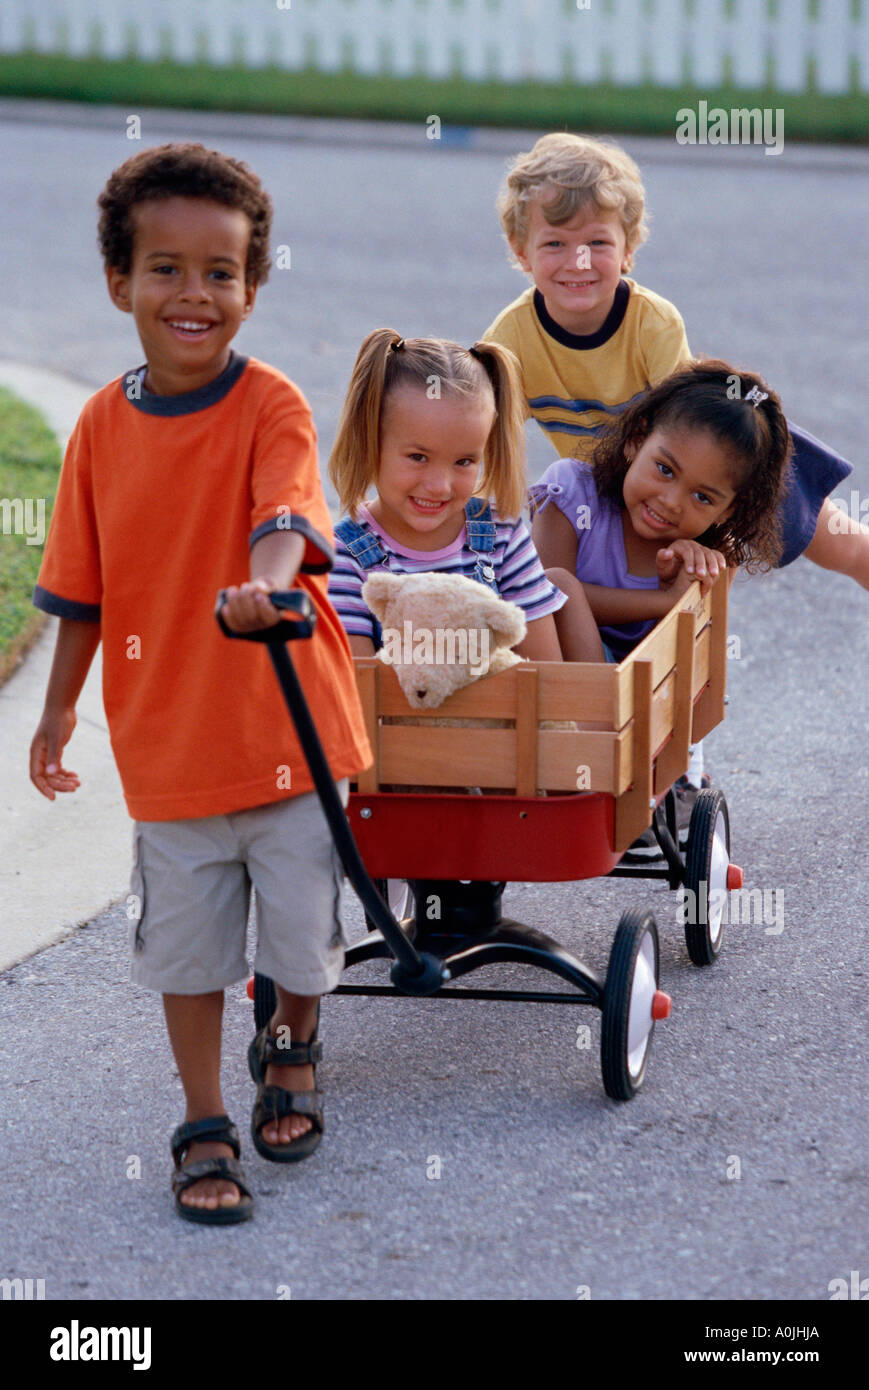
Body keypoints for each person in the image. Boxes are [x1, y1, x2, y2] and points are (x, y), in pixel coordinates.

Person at [28, 143, 371, 1224]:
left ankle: (296, 1039)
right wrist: (54, 710)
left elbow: (285, 518)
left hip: (287, 733)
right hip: (167, 744)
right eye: (165, 268)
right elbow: (77, 586)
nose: (194, 293)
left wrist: (261, 590)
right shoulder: (98, 426)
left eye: (220, 273)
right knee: (187, 949)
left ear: (252, 289)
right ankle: (204, 1113)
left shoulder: (270, 403)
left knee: (301, 932)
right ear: (119, 283)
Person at [484, 131, 868, 846]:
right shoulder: (509, 336)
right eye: (554, 245)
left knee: (838, 546)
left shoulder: (650, 321)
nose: (578, 263)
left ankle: (684, 750)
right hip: (620, 486)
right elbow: (494, 444)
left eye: (598, 244)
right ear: (519, 252)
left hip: (701, 470)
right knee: (621, 609)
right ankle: (637, 729)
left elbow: (681, 430)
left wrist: (703, 531)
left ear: (627, 250)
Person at [327, 328, 603, 661]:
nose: (440, 485)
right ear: (370, 439)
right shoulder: (346, 556)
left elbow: (543, 675)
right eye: (418, 457)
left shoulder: (502, 535)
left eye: (464, 461)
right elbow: (358, 692)